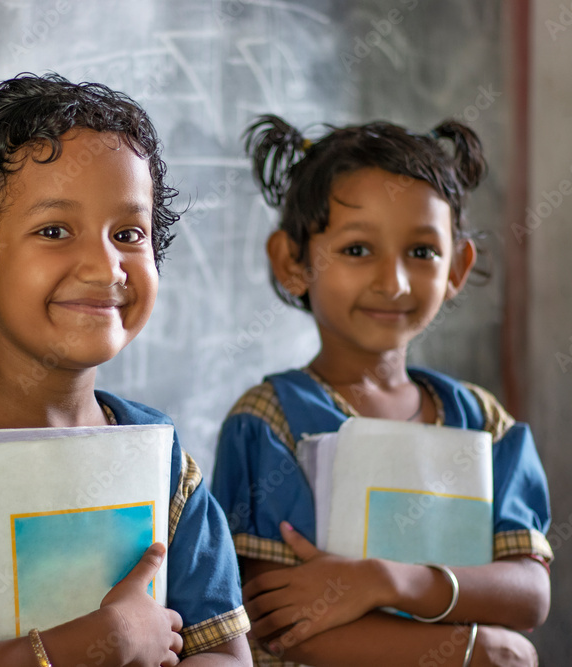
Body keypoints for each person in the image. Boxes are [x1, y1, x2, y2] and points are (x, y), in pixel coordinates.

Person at [0, 73, 252, 667]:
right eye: (55, 231)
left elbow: (227, 656)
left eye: (129, 233)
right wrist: (92, 645)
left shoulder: (162, 463)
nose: (105, 264)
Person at [211, 115, 551, 666]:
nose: (392, 282)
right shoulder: (268, 421)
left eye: (421, 252)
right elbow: (279, 623)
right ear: (292, 262)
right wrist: (467, 649)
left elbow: (529, 595)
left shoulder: (486, 422)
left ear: (457, 268)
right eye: (357, 250)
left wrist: (385, 580)